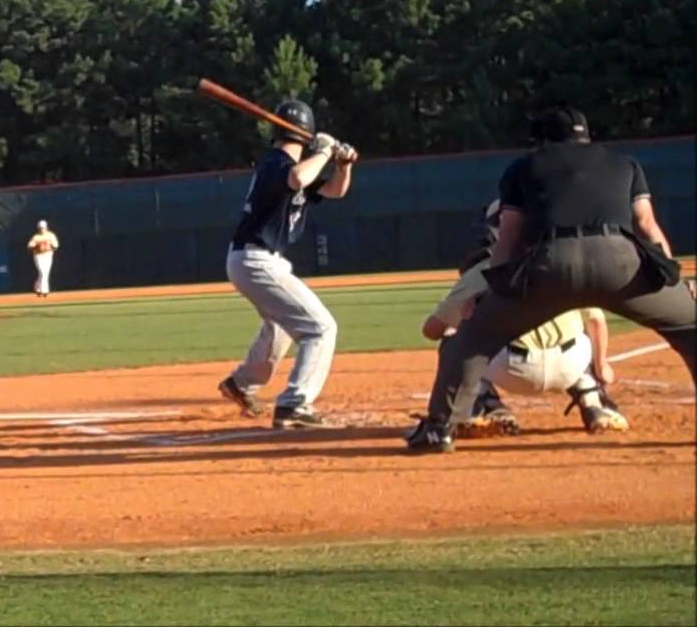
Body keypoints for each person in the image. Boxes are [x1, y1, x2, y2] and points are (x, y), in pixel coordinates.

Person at [407, 106, 696, 453]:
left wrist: (494, 289)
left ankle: (439, 430)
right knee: (691, 325)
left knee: (472, 339)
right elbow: (647, 226)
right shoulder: (625, 164)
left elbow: (509, 235)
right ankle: (590, 393)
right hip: (622, 260)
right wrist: (673, 279)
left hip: (550, 262)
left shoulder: (524, 166)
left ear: (541, 140)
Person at [217, 99, 359, 429]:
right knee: (320, 328)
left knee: (280, 326)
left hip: (260, 260)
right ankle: (295, 404)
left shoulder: (296, 167)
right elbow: (297, 177)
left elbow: (335, 190)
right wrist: (325, 151)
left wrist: (343, 166)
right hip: (255, 258)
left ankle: (241, 383)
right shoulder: (276, 163)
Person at [423, 247, 623, 437]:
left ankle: (489, 406)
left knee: (457, 338)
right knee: (580, 332)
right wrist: (601, 365)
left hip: (512, 369)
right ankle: (591, 399)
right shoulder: (563, 260)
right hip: (570, 366)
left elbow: (432, 330)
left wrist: (467, 312)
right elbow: (596, 321)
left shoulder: (482, 269)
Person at [27, 220, 60, 298]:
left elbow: (56, 245)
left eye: (43, 227)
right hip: (38, 256)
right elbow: (29, 245)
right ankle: (45, 290)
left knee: (45, 273)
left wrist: (51, 246)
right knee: (42, 272)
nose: (42, 229)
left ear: (46, 227)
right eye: (41, 227)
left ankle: (37, 288)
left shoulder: (51, 235)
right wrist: (35, 246)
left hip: (48, 256)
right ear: (38, 228)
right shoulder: (36, 237)